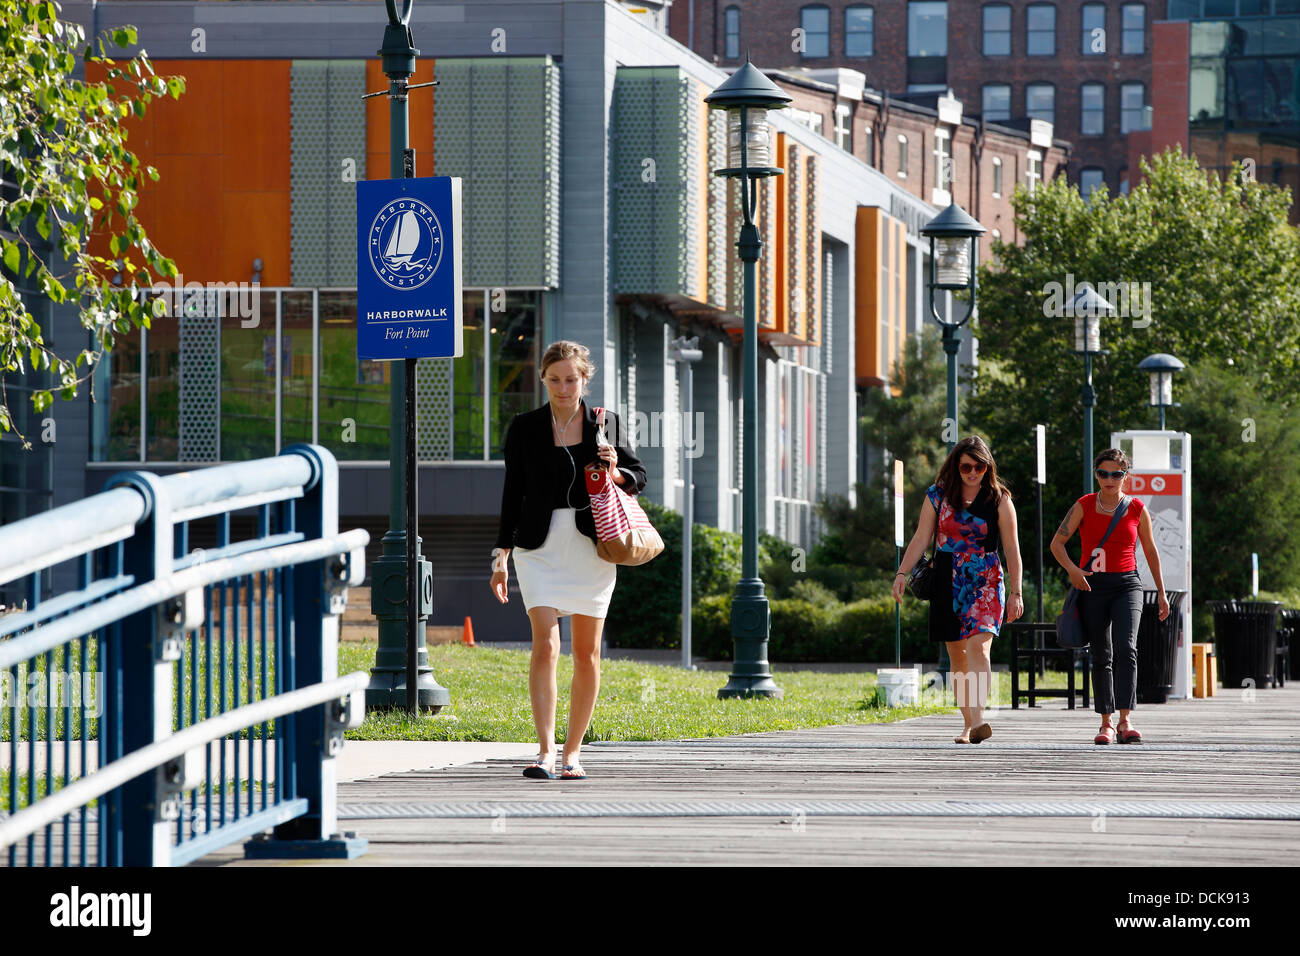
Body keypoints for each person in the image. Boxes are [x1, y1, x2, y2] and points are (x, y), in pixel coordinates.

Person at [490, 341, 647, 780]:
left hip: (590, 547)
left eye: (571, 379)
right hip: (537, 548)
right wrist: (500, 555)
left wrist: (616, 471)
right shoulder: (524, 427)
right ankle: (544, 751)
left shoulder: (604, 424)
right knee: (545, 646)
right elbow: (511, 493)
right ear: (543, 379)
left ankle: (572, 754)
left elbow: (639, 476)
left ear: (585, 379)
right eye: (555, 379)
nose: (563, 387)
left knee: (587, 654)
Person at [893, 436, 1024, 744]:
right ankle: (969, 724)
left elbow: (1012, 548)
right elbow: (921, 537)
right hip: (947, 578)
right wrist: (902, 572)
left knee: (978, 647)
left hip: (986, 579)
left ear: (987, 467)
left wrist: (1016, 592)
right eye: (966, 466)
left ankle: (978, 720)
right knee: (958, 655)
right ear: (956, 466)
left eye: (979, 466)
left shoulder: (999, 499)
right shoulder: (937, 495)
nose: (972, 472)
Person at [1050, 449, 1168, 745]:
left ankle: (1126, 720)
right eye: (1103, 473)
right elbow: (1057, 543)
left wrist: (1162, 594)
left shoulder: (1136, 508)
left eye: (1116, 474)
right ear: (1096, 475)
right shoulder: (1084, 505)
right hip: (1092, 586)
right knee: (1101, 654)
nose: (1109, 479)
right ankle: (1106, 722)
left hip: (1127, 585)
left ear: (1126, 476)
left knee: (1126, 647)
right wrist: (1073, 570)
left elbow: (1151, 552)